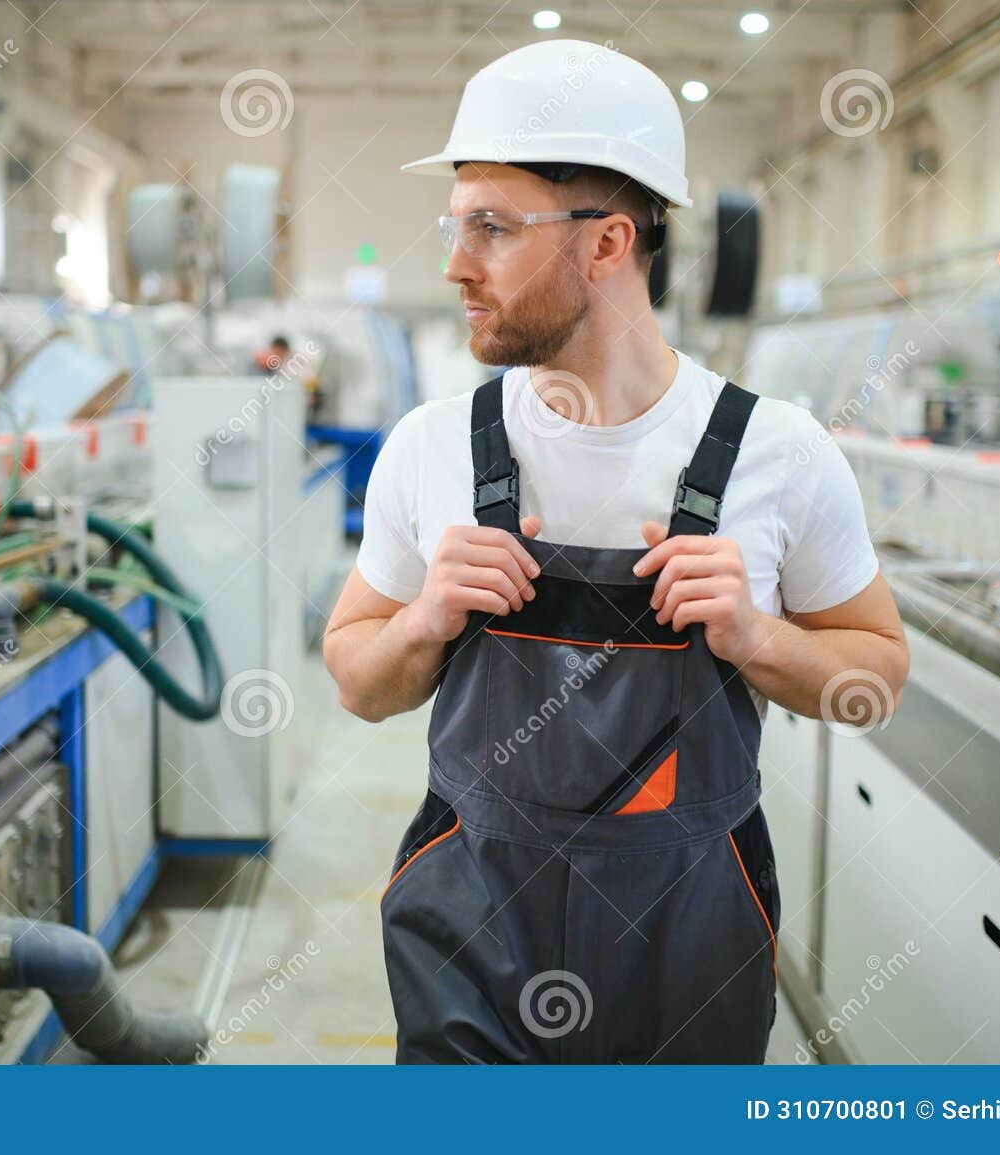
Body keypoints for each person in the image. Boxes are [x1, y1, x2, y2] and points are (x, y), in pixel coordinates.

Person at [322, 39, 909, 1064]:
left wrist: (757, 636)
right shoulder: (431, 448)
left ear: (606, 244)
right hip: (470, 937)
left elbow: (876, 677)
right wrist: (421, 620)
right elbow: (359, 686)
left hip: (688, 946)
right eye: (455, 228)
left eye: (491, 230)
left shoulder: (777, 452)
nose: (455, 265)